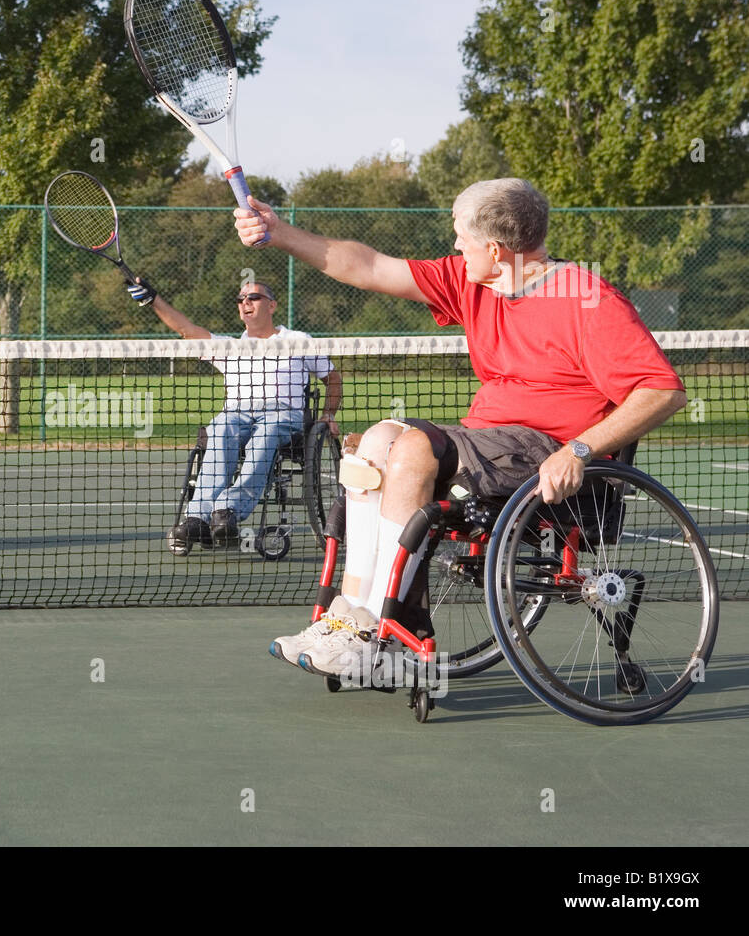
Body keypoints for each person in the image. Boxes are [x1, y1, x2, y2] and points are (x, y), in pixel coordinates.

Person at [233, 178, 686, 677]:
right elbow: (367, 267)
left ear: (494, 249)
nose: (454, 246)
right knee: (377, 444)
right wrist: (278, 232)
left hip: (546, 451)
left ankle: (374, 634)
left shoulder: (588, 299)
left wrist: (578, 450)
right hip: (491, 446)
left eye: (460, 236)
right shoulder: (476, 280)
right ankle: (351, 617)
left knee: (411, 448)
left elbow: (662, 391)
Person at [128, 277, 342, 554]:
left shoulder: (297, 340)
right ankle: (198, 518)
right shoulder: (230, 347)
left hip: (283, 416)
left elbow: (333, 379)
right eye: (241, 300)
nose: (245, 303)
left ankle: (228, 509)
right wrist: (153, 299)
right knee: (219, 427)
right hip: (236, 414)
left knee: (266, 433)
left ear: (272, 305)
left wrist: (327, 415)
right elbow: (186, 330)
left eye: (253, 298)